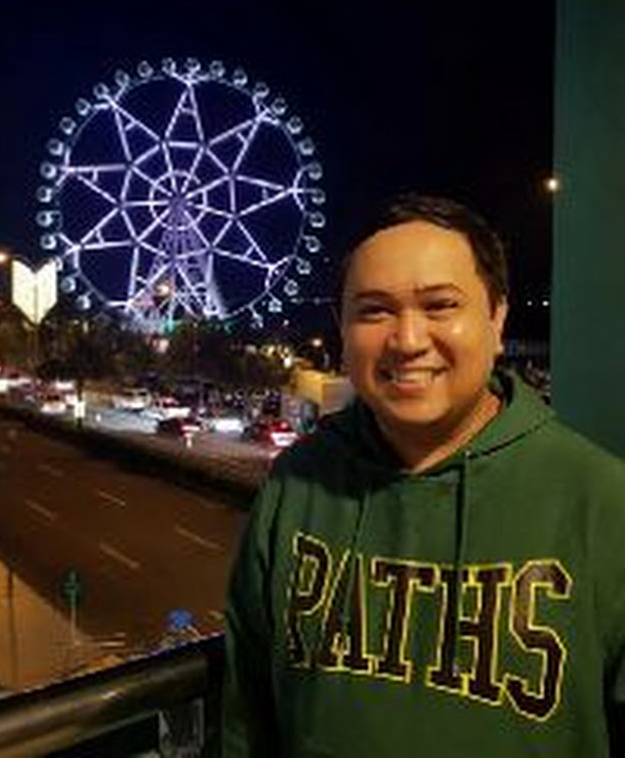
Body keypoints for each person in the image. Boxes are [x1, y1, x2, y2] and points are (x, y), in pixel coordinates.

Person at [222, 194, 625, 756]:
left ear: (497, 318)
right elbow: (245, 714)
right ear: (342, 328)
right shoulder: (296, 483)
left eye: (439, 306)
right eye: (374, 311)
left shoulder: (601, 500)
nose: (408, 341)